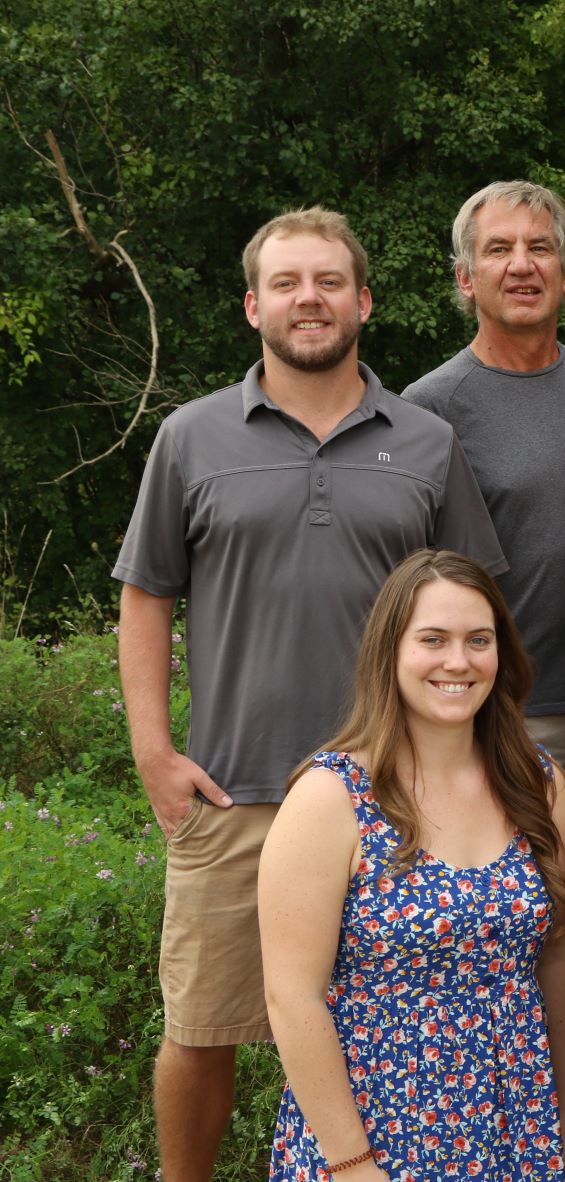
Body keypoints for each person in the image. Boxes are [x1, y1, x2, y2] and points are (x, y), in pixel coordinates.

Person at [112, 208, 506, 1182]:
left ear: (363, 301)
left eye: (329, 281)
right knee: (199, 1031)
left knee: (387, 1027)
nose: (309, 299)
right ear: (253, 307)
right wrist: (154, 754)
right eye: (286, 283)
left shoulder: (426, 442)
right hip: (236, 790)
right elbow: (145, 594)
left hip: (398, 795)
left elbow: (473, 605)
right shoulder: (191, 436)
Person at [261, 550, 565, 1181]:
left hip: (517, 1127)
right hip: (374, 1133)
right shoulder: (332, 797)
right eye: (433, 639)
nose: (458, 662)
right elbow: (291, 996)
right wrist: (354, 1166)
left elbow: (560, 964)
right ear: (390, 651)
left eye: (478, 640)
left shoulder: (539, 785)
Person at [406, 180, 565, 870]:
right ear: (465, 278)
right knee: (526, 902)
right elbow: (419, 579)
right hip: (506, 710)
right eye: (498, 249)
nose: (521, 265)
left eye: (540, 248)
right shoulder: (432, 407)